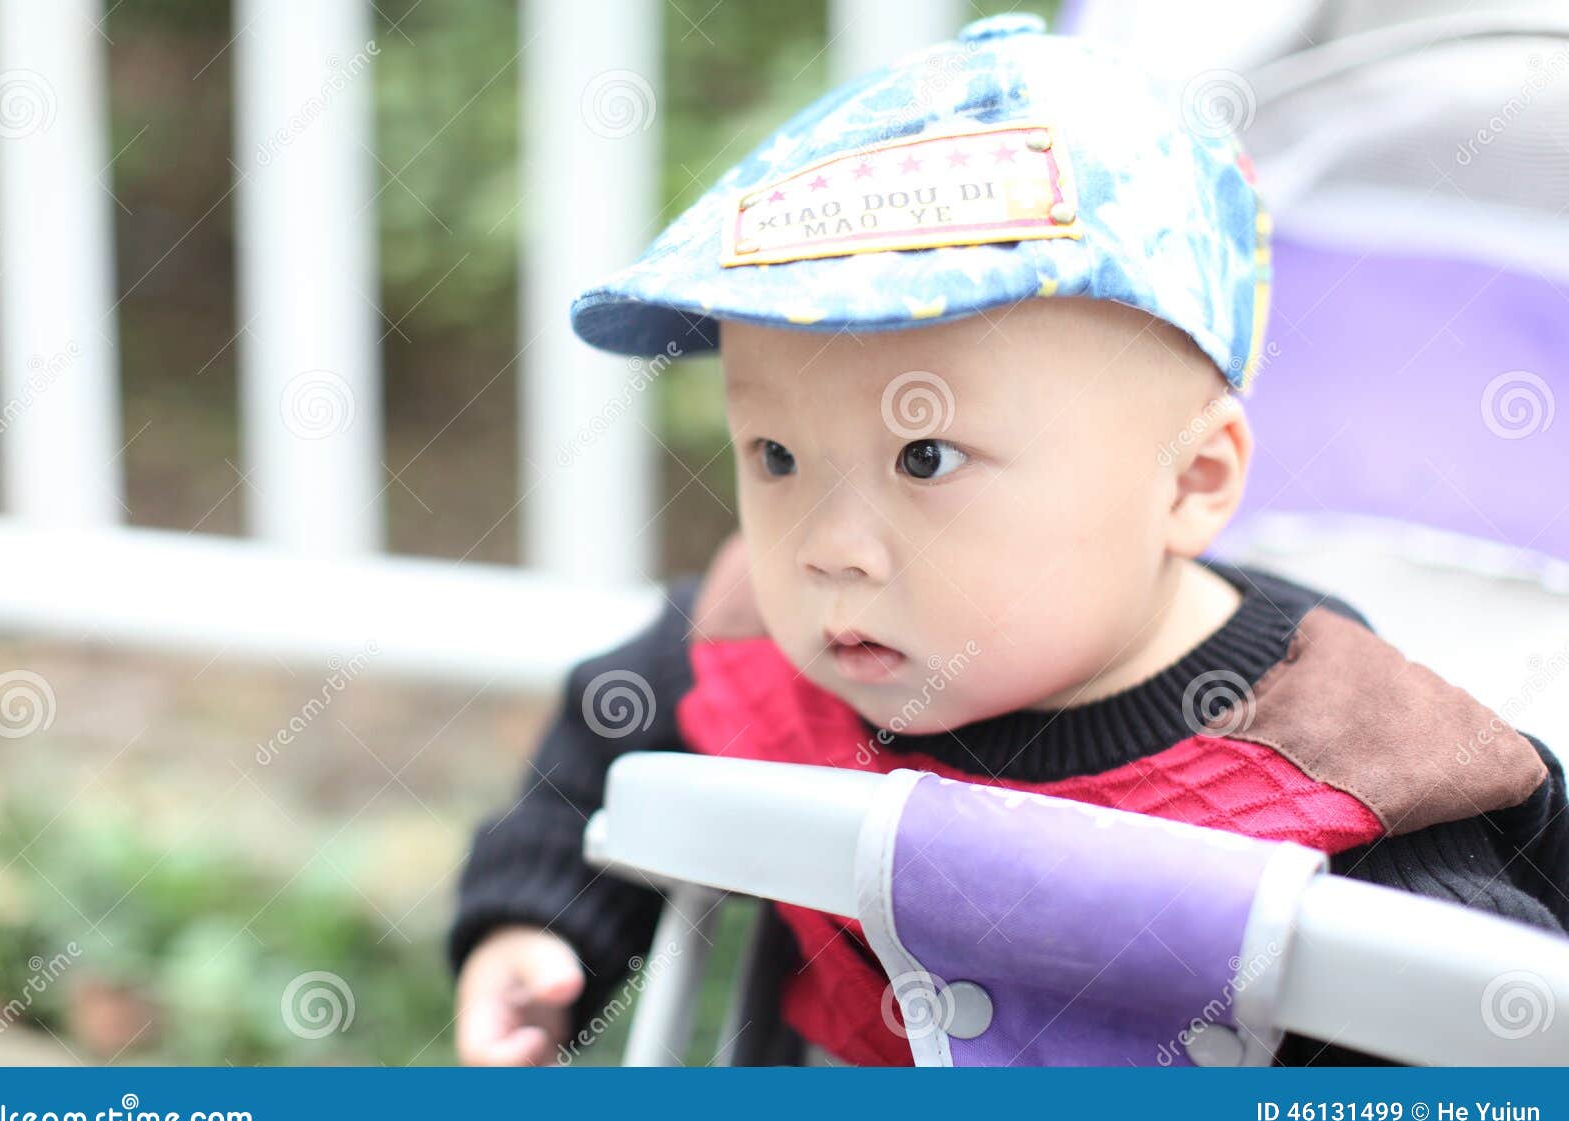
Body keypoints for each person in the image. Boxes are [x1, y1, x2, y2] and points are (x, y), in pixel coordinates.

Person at [449, 13, 1568, 1066]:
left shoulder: (1349, 759)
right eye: (777, 457)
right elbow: (612, 724)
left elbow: (1484, 995)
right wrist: (540, 920)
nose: (829, 547)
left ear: (1189, 479)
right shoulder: (759, 642)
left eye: (924, 457)